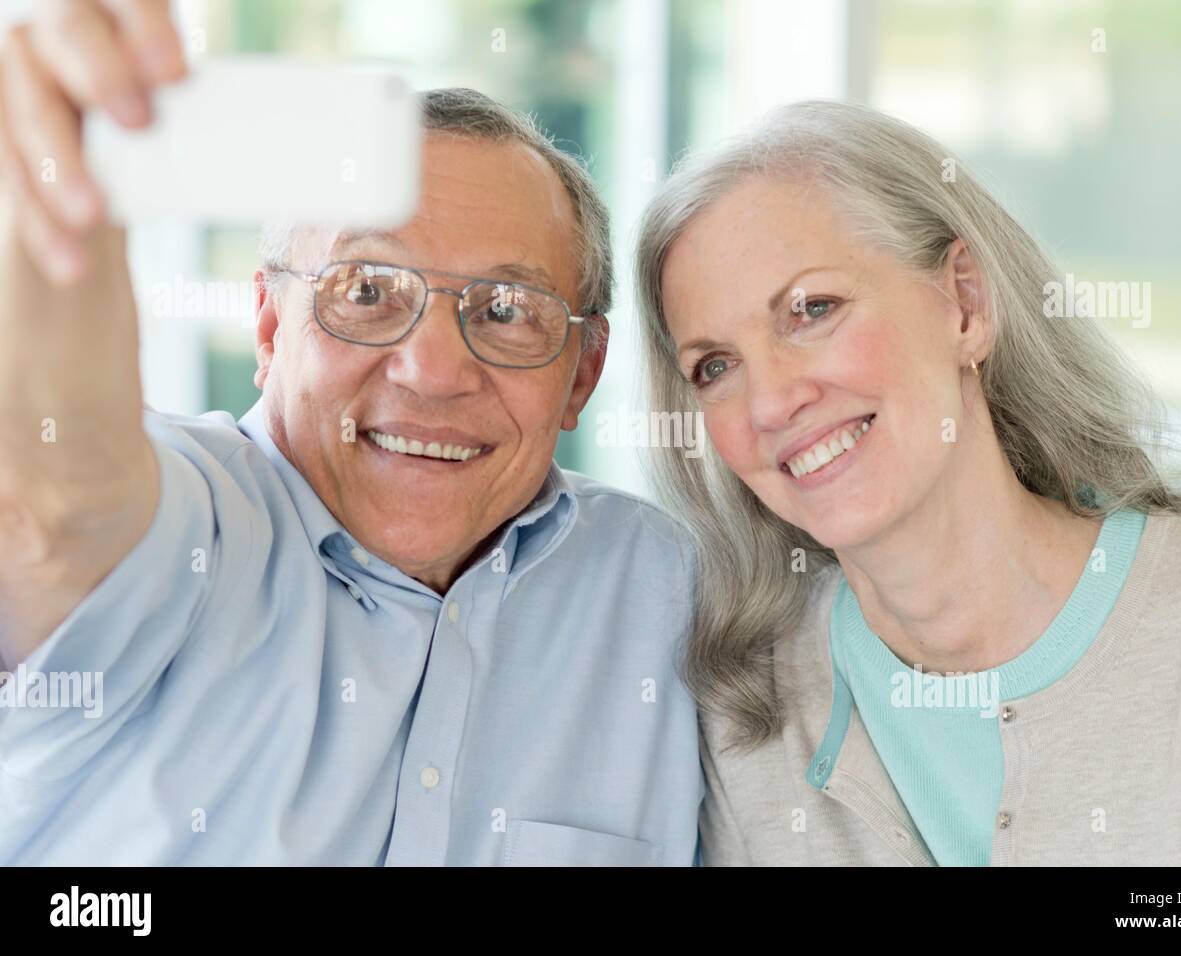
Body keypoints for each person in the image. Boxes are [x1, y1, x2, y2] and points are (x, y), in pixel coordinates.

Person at [0, 0, 701, 865]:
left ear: (583, 374)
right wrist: (47, 201)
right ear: (268, 327)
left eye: (509, 310)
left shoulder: (674, 599)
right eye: (368, 291)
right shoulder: (187, 537)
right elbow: (57, 510)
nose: (434, 371)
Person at [634, 99, 1181, 866]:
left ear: (966, 304)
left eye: (813, 310)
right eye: (714, 367)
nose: (771, 401)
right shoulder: (749, 719)